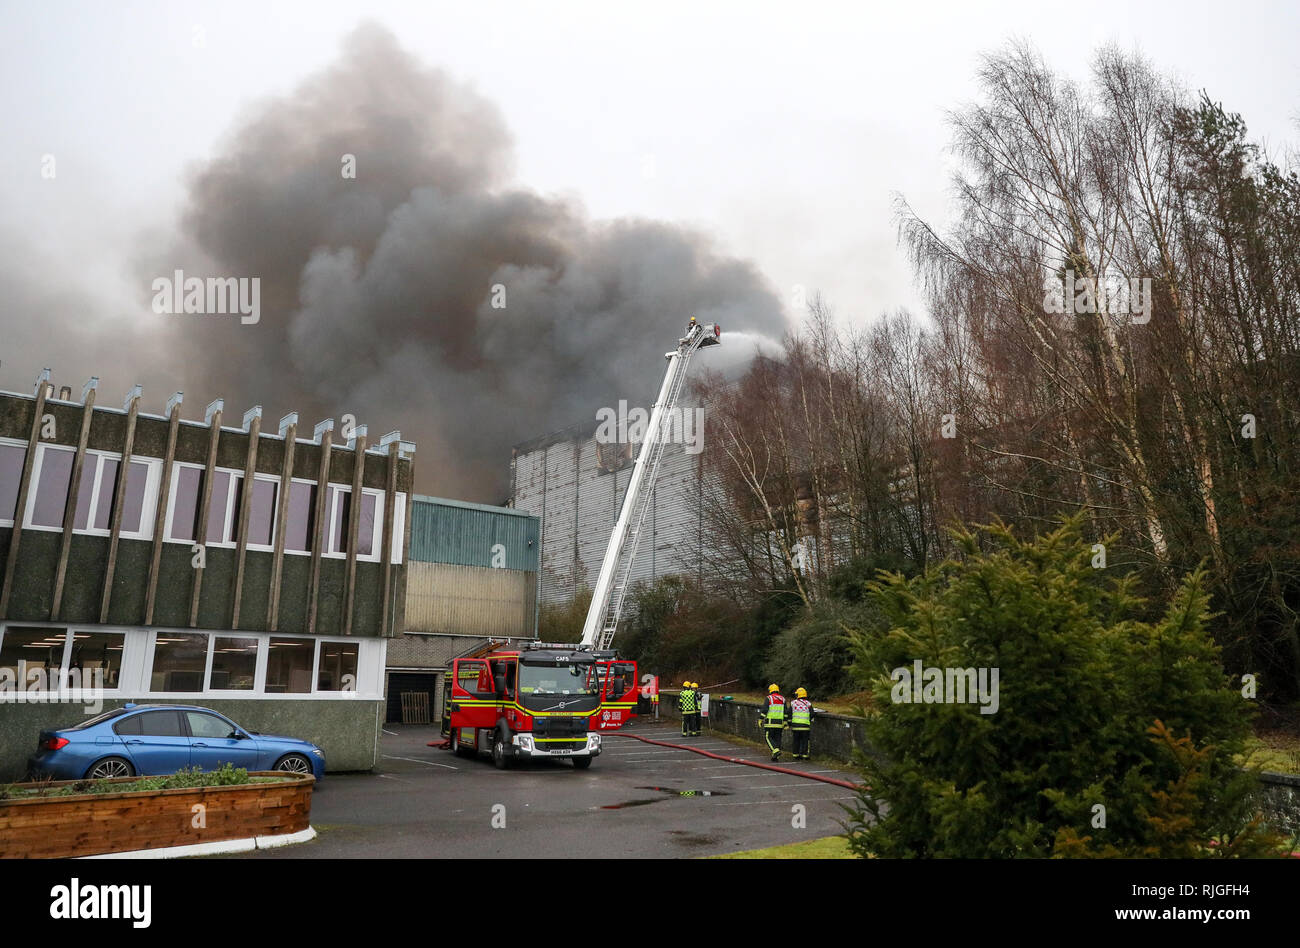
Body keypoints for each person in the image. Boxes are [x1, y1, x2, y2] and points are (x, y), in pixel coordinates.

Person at [761, 684, 786, 760]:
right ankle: (775, 756)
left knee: (768, 737)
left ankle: (775, 751)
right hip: (779, 724)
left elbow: (765, 710)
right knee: (777, 739)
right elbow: (785, 712)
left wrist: (760, 719)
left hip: (770, 723)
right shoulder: (783, 699)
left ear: (770, 690)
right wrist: (785, 722)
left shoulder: (769, 698)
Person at [788, 687, 814, 760]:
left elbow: (789, 714)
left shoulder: (793, 703)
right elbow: (812, 714)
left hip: (795, 726)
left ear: (798, 695)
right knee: (805, 741)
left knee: (796, 740)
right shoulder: (808, 703)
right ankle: (805, 755)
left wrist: (789, 724)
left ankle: (795, 755)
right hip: (805, 726)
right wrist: (807, 720)